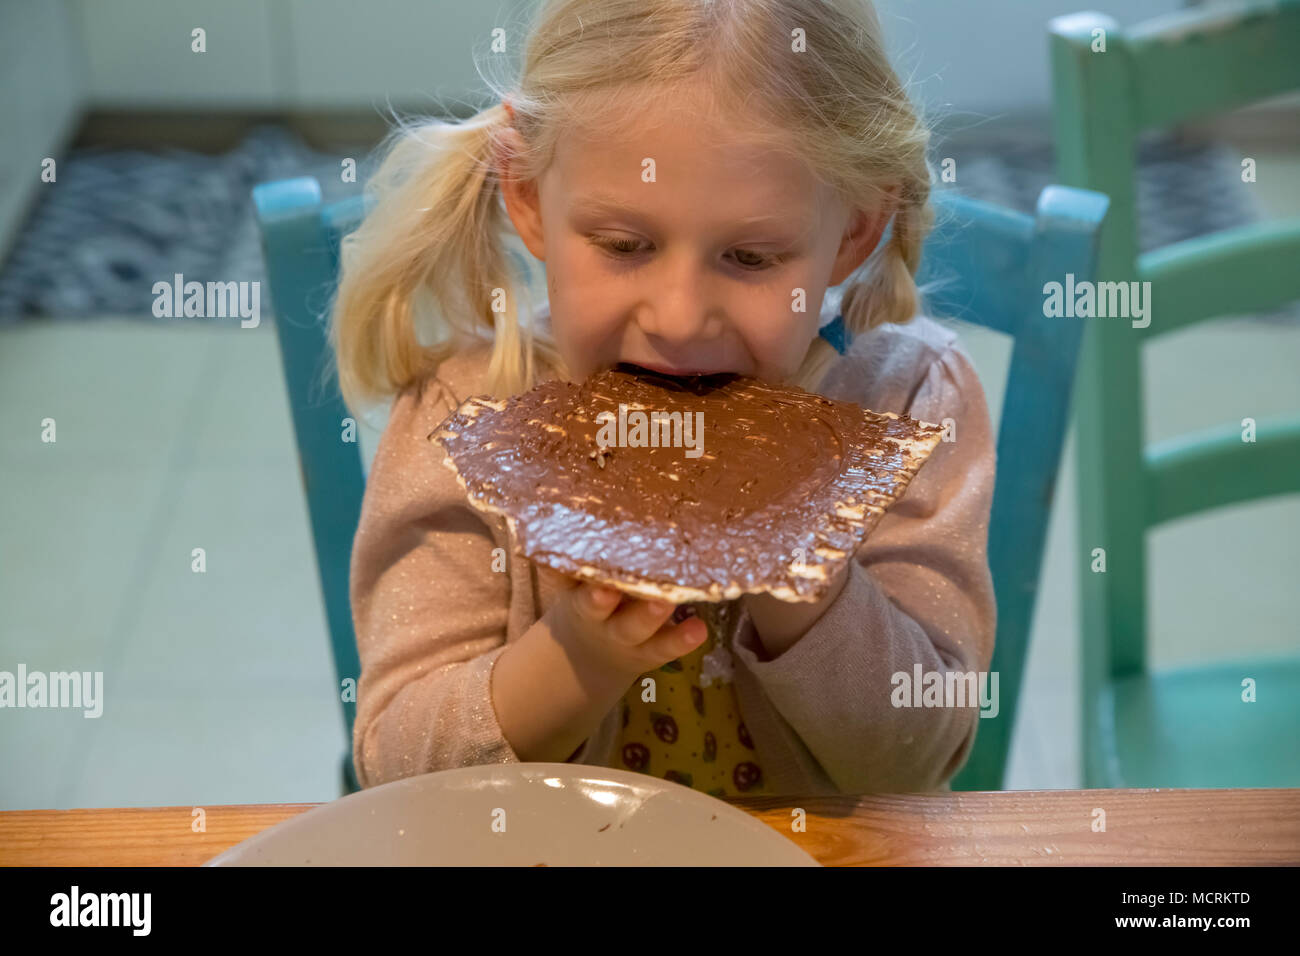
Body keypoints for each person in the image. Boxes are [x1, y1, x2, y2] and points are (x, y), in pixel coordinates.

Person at [331, 0, 996, 796]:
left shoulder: (907, 402)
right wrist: (575, 659)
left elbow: (918, 759)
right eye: (624, 246)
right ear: (530, 195)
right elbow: (398, 770)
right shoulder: (468, 415)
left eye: (750, 257)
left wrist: (805, 581)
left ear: (853, 232)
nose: (679, 320)